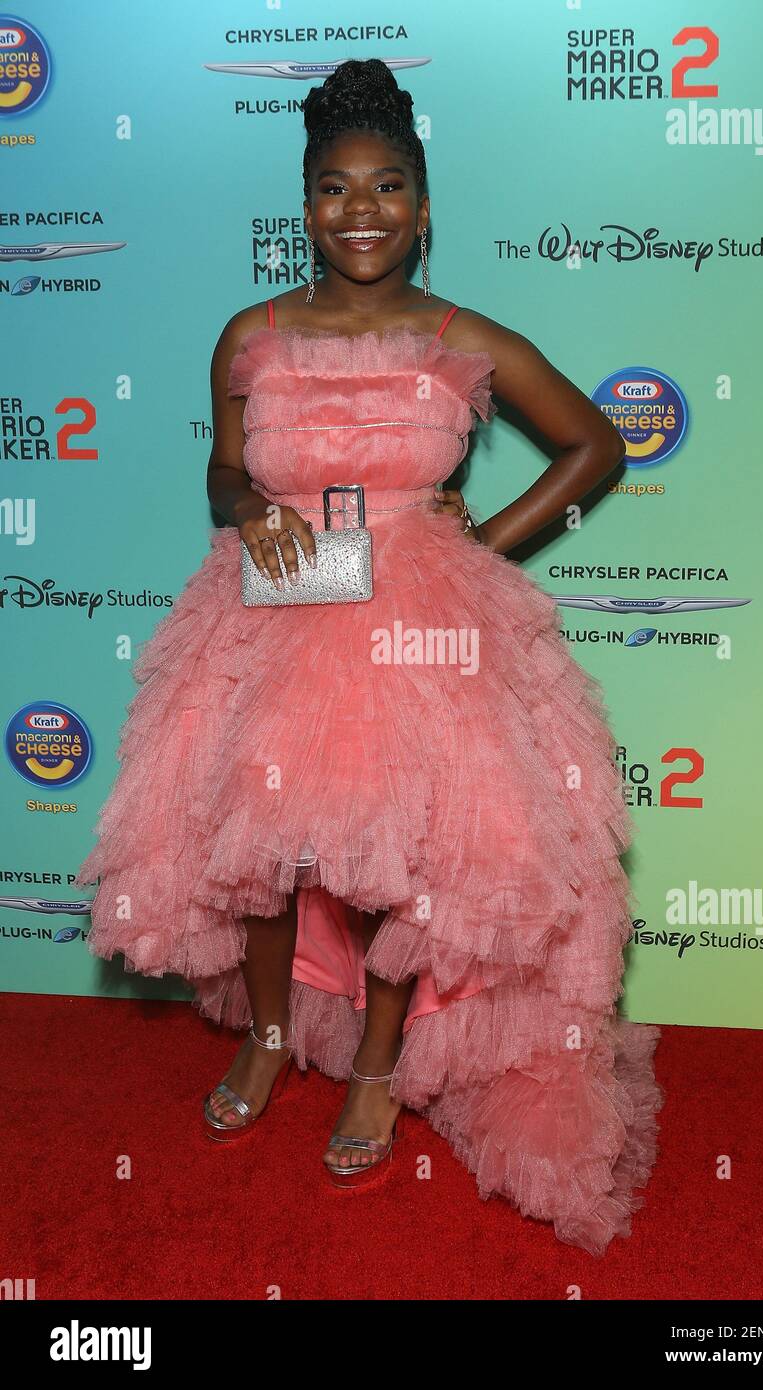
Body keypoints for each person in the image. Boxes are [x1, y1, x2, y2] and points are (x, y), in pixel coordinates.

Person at [74, 58, 663, 1254]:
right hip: (279, 605)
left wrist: (481, 545)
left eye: (387, 185)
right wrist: (248, 511)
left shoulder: (459, 335)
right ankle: (271, 1030)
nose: (362, 210)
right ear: (304, 206)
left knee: (401, 855)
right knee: (263, 849)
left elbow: (595, 445)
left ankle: (382, 1062)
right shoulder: (251, 333)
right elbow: (223, 469)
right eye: (336, 188)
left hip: (419, 620)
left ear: (424, 205)